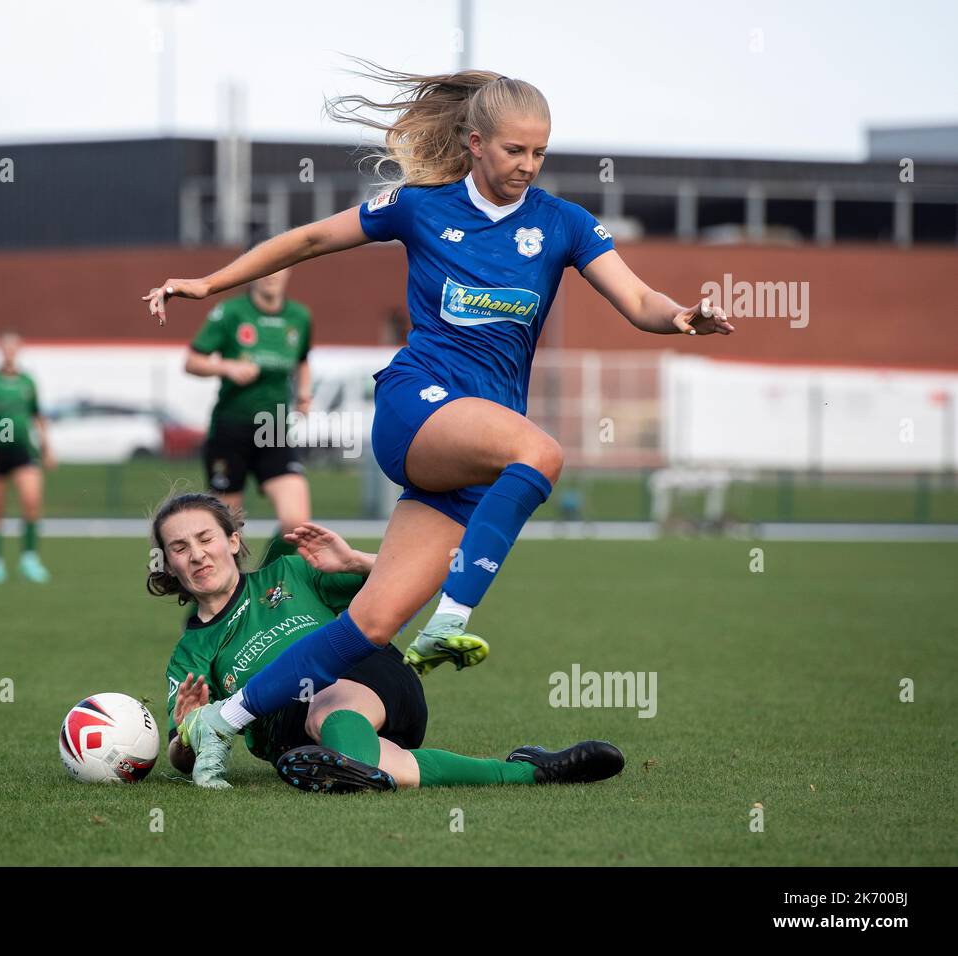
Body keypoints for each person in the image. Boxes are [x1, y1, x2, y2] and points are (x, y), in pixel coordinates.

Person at [144, 64, 734, 788]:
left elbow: (638, 297)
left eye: (541, 152)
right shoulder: (419, 206)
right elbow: (305, 241)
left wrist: (678, 317)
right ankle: (452, 619)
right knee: (541, 451)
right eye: (515, 151)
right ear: (476, 143)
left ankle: (222, 725)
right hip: (414, 408)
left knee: (368, 626)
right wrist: (208, 283)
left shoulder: (563, 224)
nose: (529, 165)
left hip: (473, 454)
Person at [151, 492, 624, 793]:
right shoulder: (190, 653)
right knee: (380, 764)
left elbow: (416, 582)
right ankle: (532, 772)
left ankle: (348, 759)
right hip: (295, 741)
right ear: (169, 565)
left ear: (233, 541)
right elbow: (180, 755)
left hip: (370, 677)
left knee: (322, 699)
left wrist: (354, 560)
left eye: (205, 538)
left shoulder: (290, 571)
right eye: (179, 547)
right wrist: (188, 730)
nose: (196, 554)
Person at [185, 267, 313, 568]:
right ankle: (216, 602)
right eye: (265, 268)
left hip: (274, 430)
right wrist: (227, 367)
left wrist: (304, 394)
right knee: (226, 530)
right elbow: (192, 361)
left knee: (296, 523)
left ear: (290, 271)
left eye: (279, 268)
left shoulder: (299, 317)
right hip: (231, 429)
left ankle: (264, 582)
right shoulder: (230, 312)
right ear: (253, 272)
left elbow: (303, 360)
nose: (272, 275)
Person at [0, 332, 54, 584]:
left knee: (31, 502)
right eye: (5, 347)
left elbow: (37, 416)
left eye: (13, 347)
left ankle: (29, 559)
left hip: (23, 451)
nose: (9, 351)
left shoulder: (27, 381)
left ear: (19, 349)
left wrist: (47, 447)